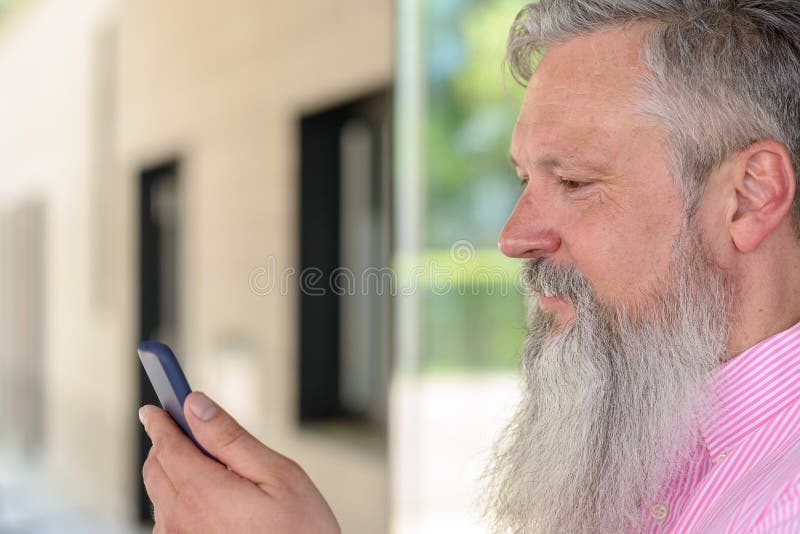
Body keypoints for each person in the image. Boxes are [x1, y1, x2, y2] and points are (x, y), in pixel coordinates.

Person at [139, 1, 800, 532]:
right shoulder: (655, 425)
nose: (512, 237)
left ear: (749, 196)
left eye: (573, 181)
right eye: (524, 179)